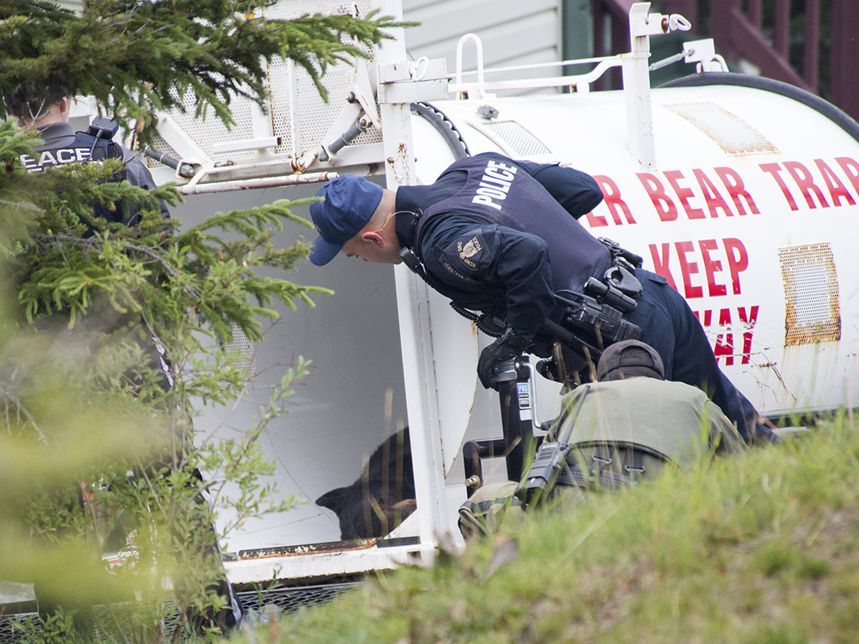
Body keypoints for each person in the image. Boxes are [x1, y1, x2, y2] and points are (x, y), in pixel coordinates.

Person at [307, 152, 779, 445]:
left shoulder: (440, 240)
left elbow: (526, 255)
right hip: (653, 297)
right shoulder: (473, 167)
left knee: (648, 470)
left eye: (352, 254)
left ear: (371, 238)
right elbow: (582, 189)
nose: (363, 261)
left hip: (622, 346)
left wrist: (509, 343)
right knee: (736, 426)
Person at [4, 83, 241, 633]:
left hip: (35, 371)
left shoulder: (5, 173)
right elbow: (158, 254)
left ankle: (69, 631)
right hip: (126, 352)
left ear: (11, 113)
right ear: (64, 100)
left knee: (53, 509)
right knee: (171, 485)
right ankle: (212, 626)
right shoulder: (113, 153)